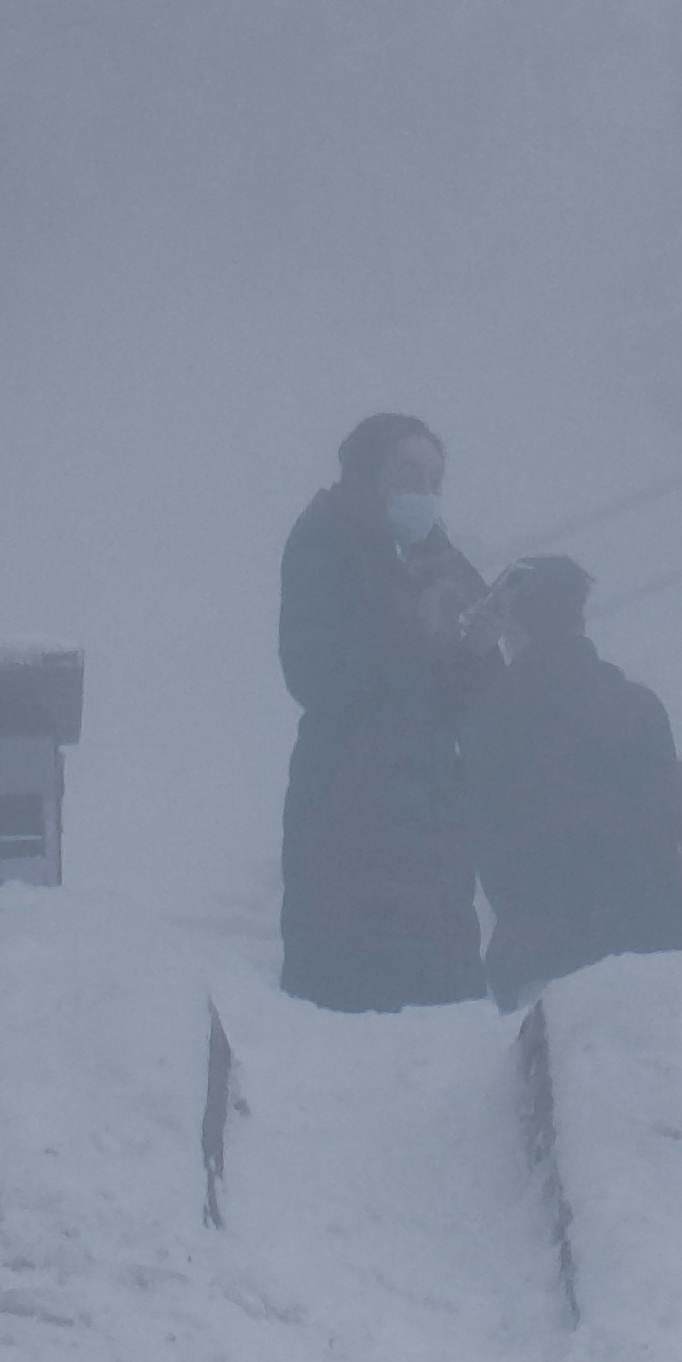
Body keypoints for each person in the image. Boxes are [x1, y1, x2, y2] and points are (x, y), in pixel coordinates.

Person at [470, 552, 682, 985]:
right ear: (579, 620)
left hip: (533, 948)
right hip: (638, 942)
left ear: (512, 628)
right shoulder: (637, 708)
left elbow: (493, 848)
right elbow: (658, 828)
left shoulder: (492, 719)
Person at [273, 414, 500, 1013]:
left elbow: (476, 700)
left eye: (435, 478)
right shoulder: (324, 538)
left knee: (440, 1002)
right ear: (368, 473)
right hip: (347, 804)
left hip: (430, 810)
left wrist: (479, 653)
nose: (423, 491)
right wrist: (414, 633)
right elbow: (312, 673)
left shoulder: (437, 556)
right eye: (409, 473)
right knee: (353, 993)